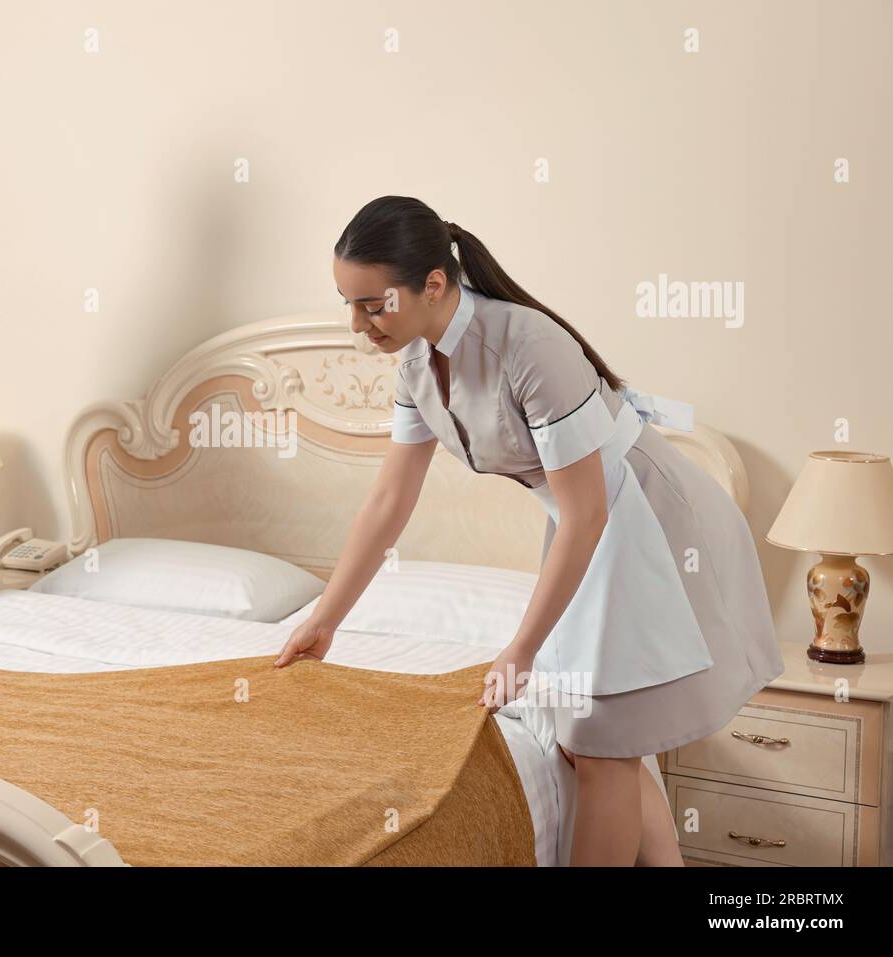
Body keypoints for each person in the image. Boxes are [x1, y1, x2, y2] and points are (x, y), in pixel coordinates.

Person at [274, 195, 783, 866]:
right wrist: (326, 617)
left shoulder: (529, 345)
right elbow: (388, 501)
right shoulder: (417, 368)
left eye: (374, 304)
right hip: (586, 519)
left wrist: (522, 647)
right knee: (584, 737)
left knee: (599, 743)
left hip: (644, 517)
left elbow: (591, 511)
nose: (358, 325)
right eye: (349, 304)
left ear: (433, 284)